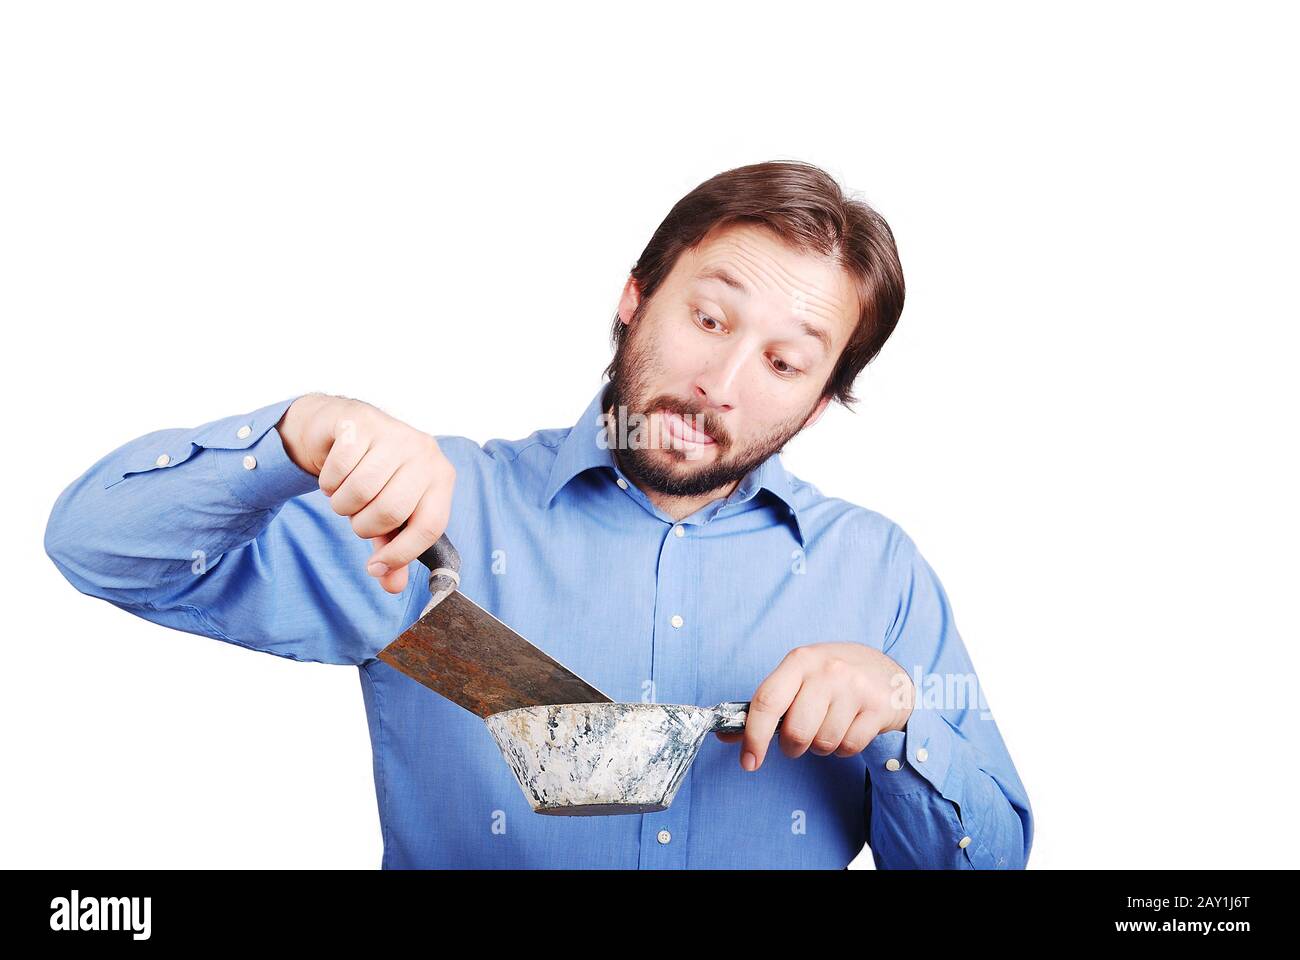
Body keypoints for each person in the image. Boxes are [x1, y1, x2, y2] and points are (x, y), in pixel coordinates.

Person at [44, 160, 1033, 869]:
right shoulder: (431, 517)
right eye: (707, 318)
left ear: (819, 401)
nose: (721, 385)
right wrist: (299, 434)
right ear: (633, 301)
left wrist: (907, 723)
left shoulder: (877, 574)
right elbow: (100, 549)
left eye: (784, 361)